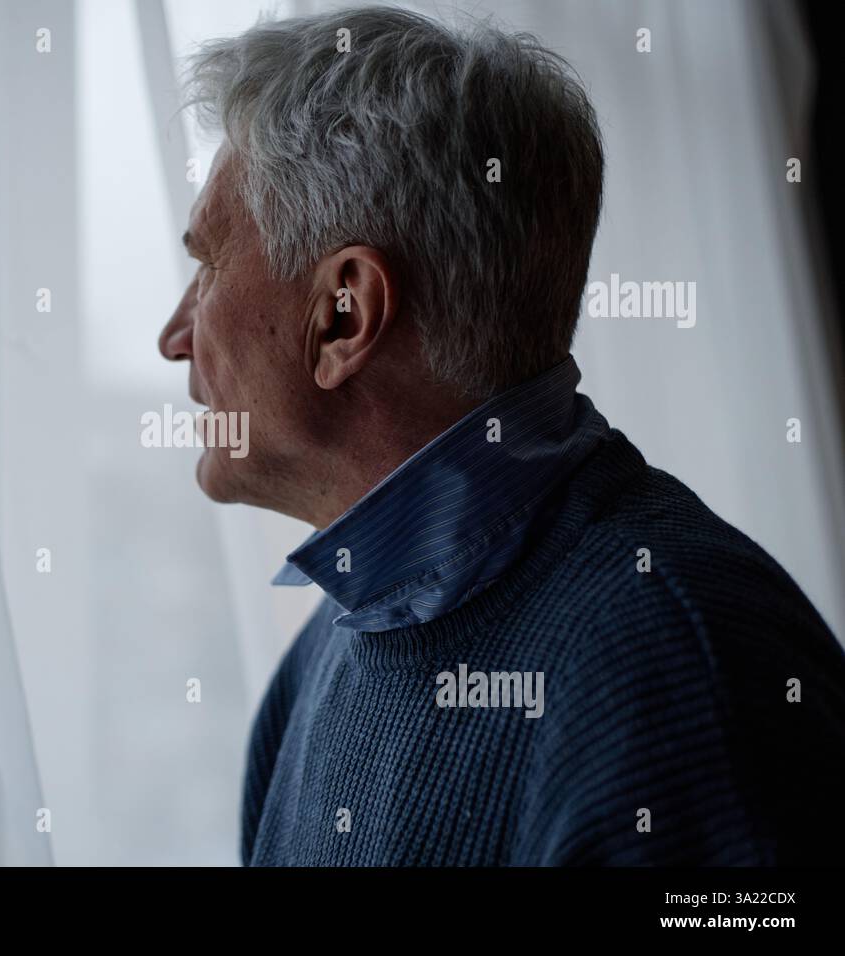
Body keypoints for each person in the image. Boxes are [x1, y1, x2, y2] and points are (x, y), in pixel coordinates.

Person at [157, 6, 845, 866]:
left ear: (343, 315)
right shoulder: (321, 658)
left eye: (208, 264)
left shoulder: (684, 673)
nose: (174, 333)